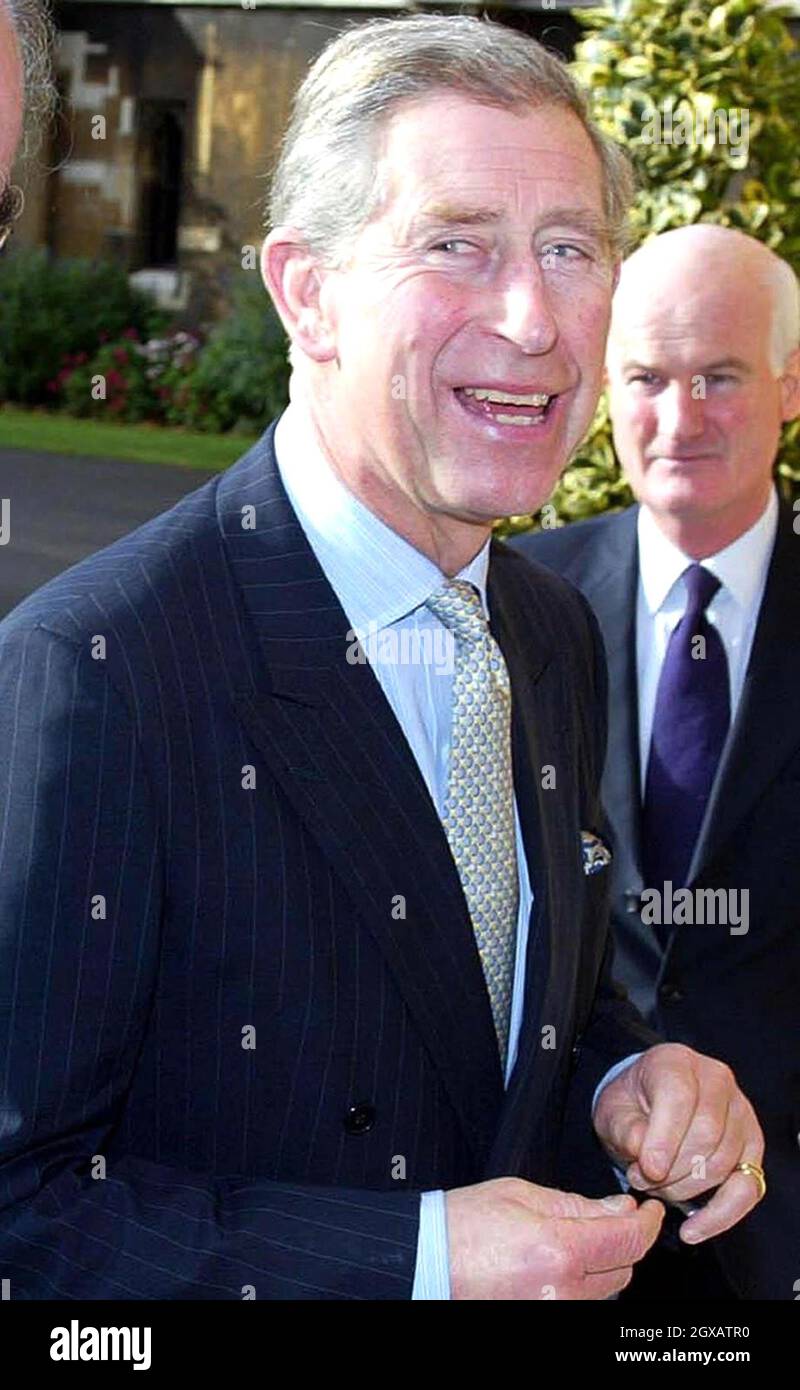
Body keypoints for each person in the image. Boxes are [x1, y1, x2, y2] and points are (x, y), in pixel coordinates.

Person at [0, 16, 764, 1301]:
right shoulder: (96, 672)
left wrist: (630, 1080)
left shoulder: (548, 631)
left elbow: (496, 1026)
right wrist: (412, 1260)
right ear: (306, 293)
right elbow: (20, 1217)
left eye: (568, 249)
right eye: (455, 244)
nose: (531, 318)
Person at [515, 223, 800, 1299]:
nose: (675, 420)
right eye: (642, 377)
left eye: (717, 377)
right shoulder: (510, 606)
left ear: (786, 385)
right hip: (559, 1215)